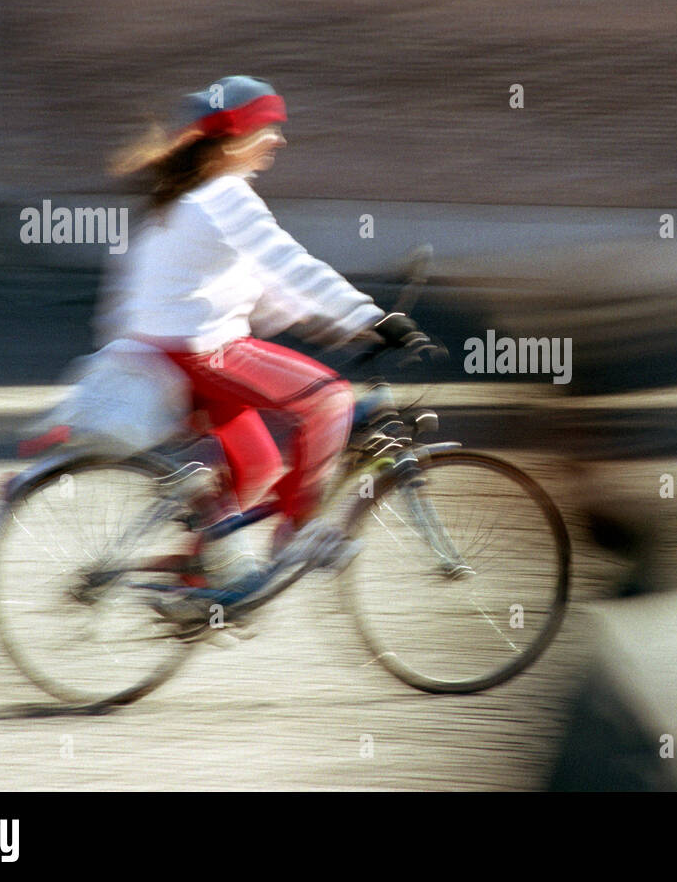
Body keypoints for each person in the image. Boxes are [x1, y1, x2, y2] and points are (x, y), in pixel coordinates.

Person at [97, 75, 436, 625]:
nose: (278, 140)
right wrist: (371, 316)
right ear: (234, 137)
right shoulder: (226, 194)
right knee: (328, 399)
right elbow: (290, 262)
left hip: (158, 355)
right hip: (201, 353)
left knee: (254, 464)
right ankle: (299, 538)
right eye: (267, 127)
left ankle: (197, 582)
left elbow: (270, 291)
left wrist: (348, 327)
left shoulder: (184, 199)